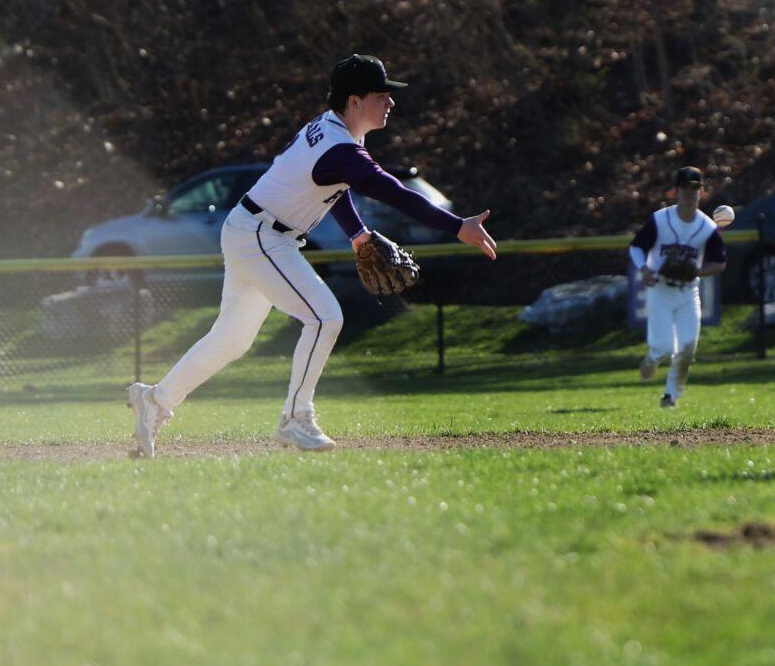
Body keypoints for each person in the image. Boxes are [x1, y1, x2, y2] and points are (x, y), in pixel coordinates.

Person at [125, 55, 498, 456]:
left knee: (231, 339)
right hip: (261, 236)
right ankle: (296, 418)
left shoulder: (334, 131)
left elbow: (335, 186)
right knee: (324, 317)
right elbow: (392, 191)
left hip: (252, 229)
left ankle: (155, 400)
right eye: (381, 95)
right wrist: (457, 225)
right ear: (354, 101)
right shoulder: (341, 147)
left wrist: (357, 234)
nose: (390, 102)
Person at [629, 166, 727, 408]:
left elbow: (719, 263)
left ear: (701, 191)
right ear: (676, 191)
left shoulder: (706, 227)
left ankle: (670, 396)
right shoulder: (661, 219)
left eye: (694, 188)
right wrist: (644, 269)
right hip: (661, 288)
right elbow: (636, 247)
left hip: (688, 292)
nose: (689, 193)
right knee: (664, 348)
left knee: (687, 348)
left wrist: (697, 271)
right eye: (685, 188)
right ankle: (652, 358)